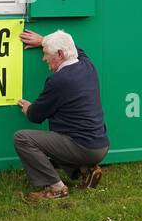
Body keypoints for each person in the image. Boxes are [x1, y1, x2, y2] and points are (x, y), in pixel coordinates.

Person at [14, 28, 110, 200]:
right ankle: (85, 170)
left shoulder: (58, 81)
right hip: (100, 146)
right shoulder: (87, 65)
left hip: (83, 148)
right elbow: (76, 49)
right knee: (61, 137)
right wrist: (43, 41)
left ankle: (56, 188)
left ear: (59, 54)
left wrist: (29, 108)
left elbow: (36, 117)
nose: (43, 58)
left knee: (23, 138)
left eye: (46, 54)